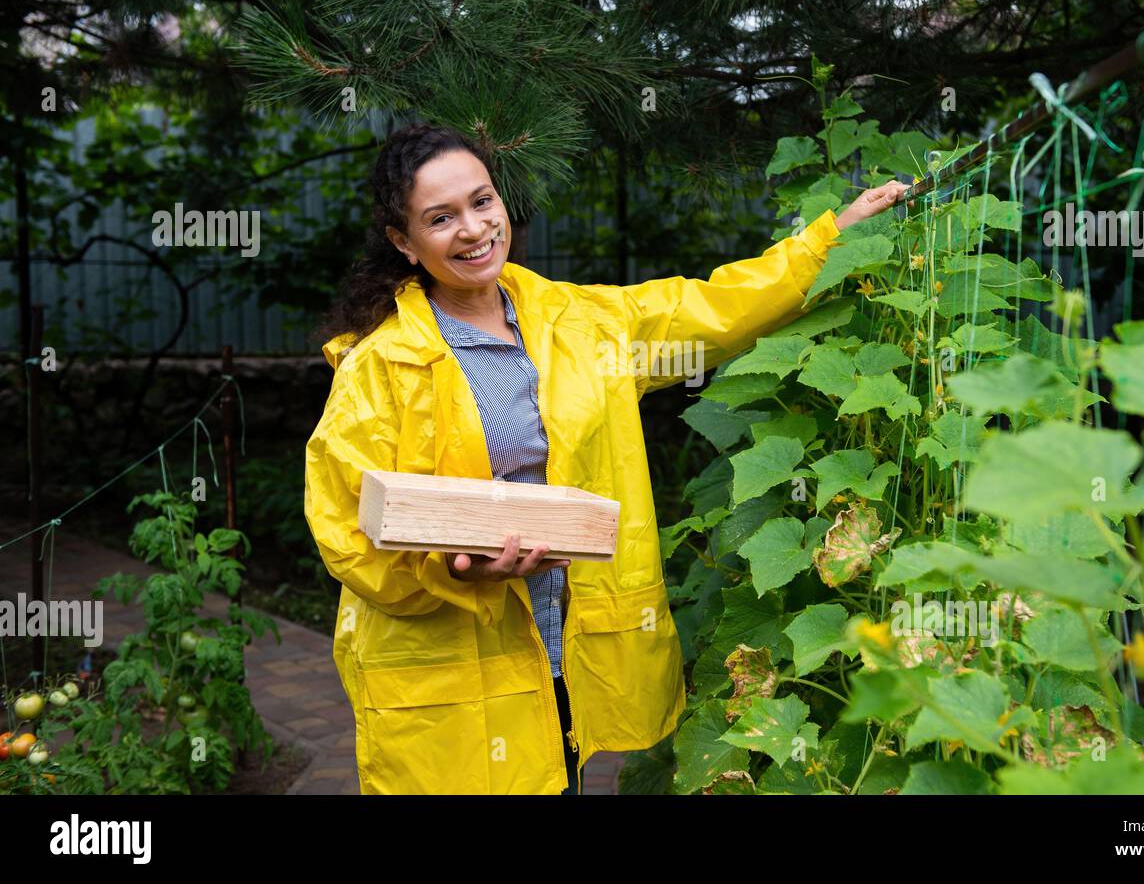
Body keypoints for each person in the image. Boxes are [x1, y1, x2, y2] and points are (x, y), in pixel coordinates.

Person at [303, 122, 908, 794]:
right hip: (452, 660)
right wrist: (453, 573)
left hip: (566, 643)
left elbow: (707, 309)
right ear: (403, 242)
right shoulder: (379, 365)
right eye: (440, 218)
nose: (473, 229)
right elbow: (345, 530)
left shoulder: (575, 321)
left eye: (482, 202)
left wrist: (831, 238)